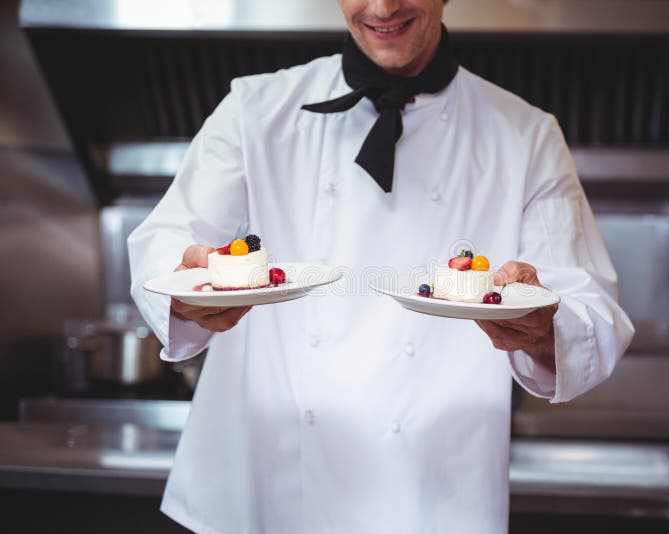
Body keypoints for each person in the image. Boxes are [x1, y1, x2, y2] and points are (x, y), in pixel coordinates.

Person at [128, 0, 634, 532]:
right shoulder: (255, 109)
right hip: (265, 491)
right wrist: (188, 287)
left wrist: (540, 328)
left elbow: (589, 310)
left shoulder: (526, 137)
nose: (383, 7)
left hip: (431, 498)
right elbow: (166, 243)